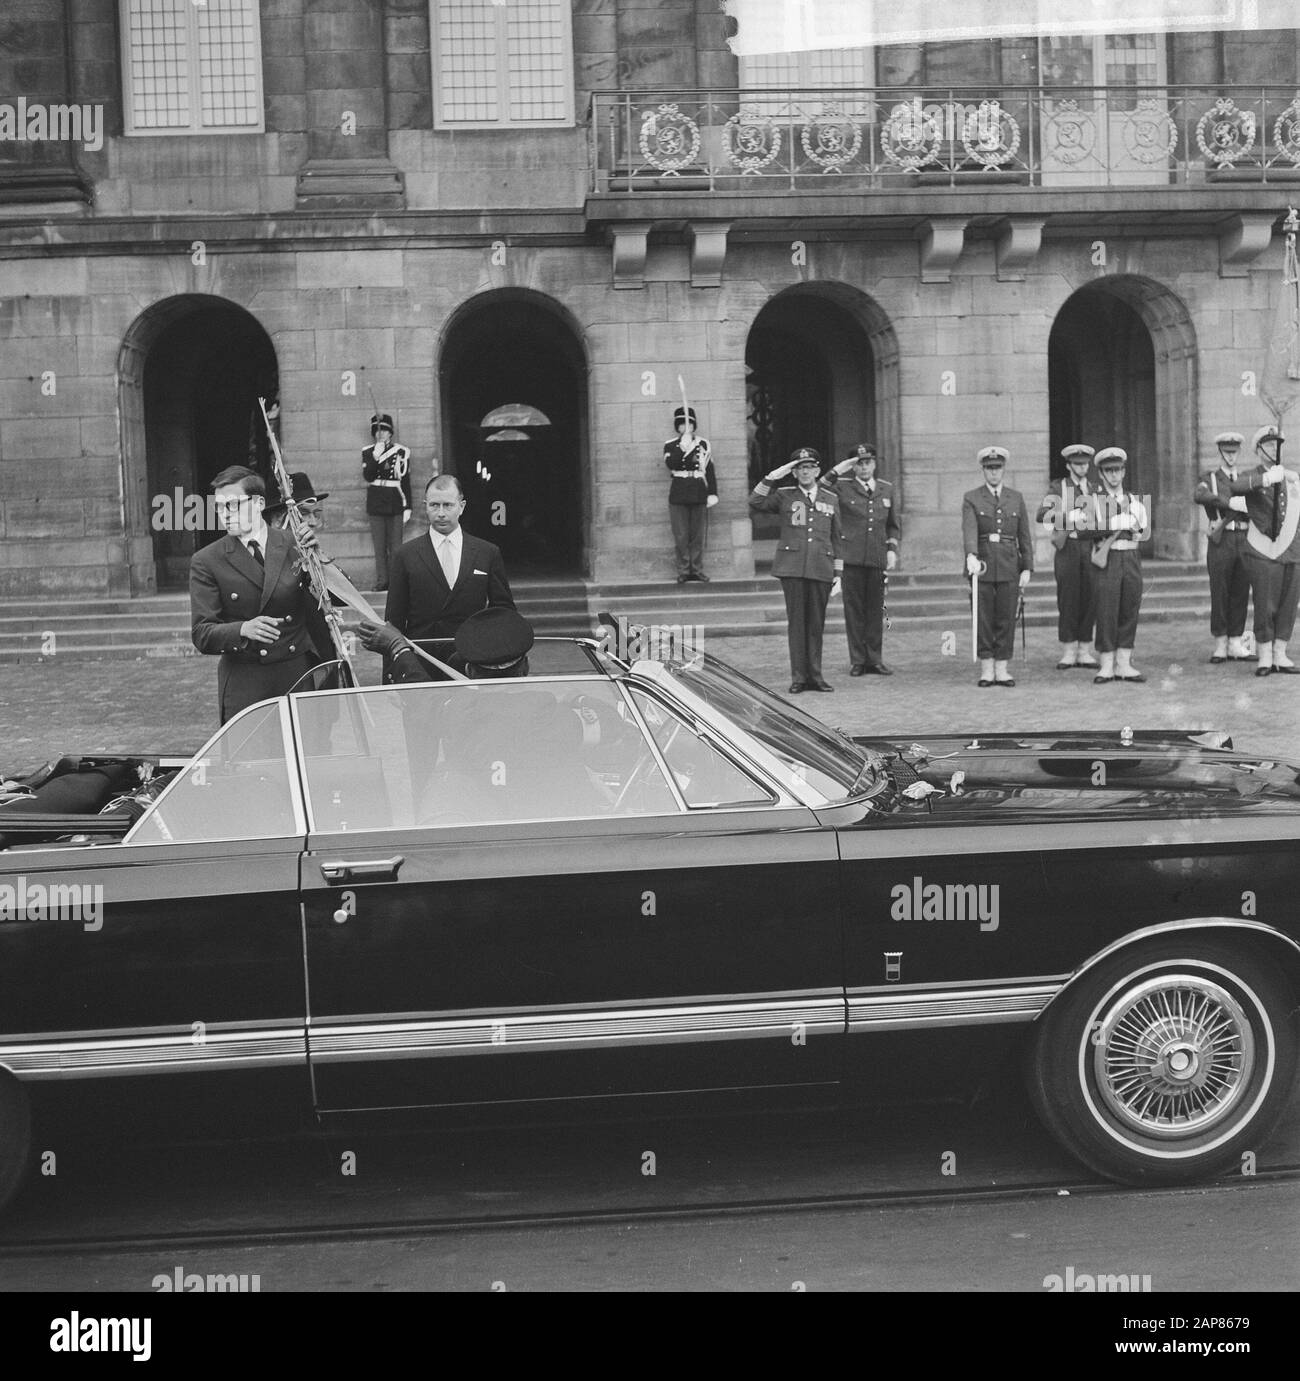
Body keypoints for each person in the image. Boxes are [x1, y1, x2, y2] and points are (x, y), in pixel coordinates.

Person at [190, 465, 331, 724]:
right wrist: (242, 629)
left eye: (232, 505)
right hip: (247, 682)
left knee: (306, 756)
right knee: (254, 762)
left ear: (258, 504)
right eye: (219, 507)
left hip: (295, 675)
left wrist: (318, 559)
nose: (225, 514)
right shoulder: (208, 560)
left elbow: (334, 598)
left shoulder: (293, 543)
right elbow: (202, 632)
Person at [384, 474, 514, 677]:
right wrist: (391, 678)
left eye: (448, 505)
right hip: (420, 666)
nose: (441, 513)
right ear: (425, 506)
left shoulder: (486, 553)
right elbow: (393, 624)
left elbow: (503, 612)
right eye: (434, 505)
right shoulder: (405, 555)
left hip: (471, 663)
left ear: (461, 506)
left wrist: (500, 666)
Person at [749, 446, 843, 693]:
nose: (806, 472)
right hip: (792, 567)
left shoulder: (830, 498)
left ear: (817, 470)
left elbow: (837, 537)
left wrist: (839, 574)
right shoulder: (784, 495)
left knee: (816, 624)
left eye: (810, 467)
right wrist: (773, 475)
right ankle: (799, 677)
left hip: (821, 566)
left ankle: (816, 675)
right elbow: (755, 500)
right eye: (800, 468)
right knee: (797, 624)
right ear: (794, 472)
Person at [1230, 424, 1300, 676]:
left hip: (1291, 551)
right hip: (1263, 552)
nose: (1273, 448)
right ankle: (1265, 655)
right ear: (1259, 450)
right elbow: (1236, 487)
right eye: (1268, 444)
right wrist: (1267, 478)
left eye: (1276, 444)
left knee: (1288, 604)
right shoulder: (1254, 477)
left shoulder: (1291, 478)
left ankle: (1280, 653)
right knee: (1265, 604)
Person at [825, 443, 899, 675]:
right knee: (854, 611)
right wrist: (838, 469)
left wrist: (891, 549)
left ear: (874, 464)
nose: (864, 467)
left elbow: (893, 525)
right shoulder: (842, 488)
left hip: (877, 557)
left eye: (867, 462)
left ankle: (874, 659)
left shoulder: (886, 489)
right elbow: (821, 486)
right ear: (853, 467)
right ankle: (858, 659)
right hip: (852, 558)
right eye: (859, 463)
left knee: (875, 611)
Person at [962, 447, 1032, 687]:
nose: (994, 473)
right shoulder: (972, 497)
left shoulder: (1016, 497)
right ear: (983, 470)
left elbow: (1024, 535)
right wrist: (971, 555)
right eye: (989, 468)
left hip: (1009, 563)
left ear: (1004, 469)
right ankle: (987, 667)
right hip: (982, 564)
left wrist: (1027, 567)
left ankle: (1002, 667)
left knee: (1006, 616)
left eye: (998, 468)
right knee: (983, 617)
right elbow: (970, 530)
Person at [1089, 447, 1150, 684]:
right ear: (1102, 475)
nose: (1114, 475)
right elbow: (1085, 530)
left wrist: (1136, 525)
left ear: (1124, 472)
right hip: (1109, 559)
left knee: (1129, 608)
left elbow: (1144, 534)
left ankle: (1124, 663)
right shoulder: (1093, 501)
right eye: (1108, 471)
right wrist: (1114, 522)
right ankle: (1106, 664)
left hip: (1131, 558)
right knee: (1106, 610)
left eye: (1117, 470)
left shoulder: (1136, 500)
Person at [1193, 432, 1255, 664]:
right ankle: (1220, 643)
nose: (1231, 456)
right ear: (1220, 452)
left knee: (1241, 589)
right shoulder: (1209, 477)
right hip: (1222, 540)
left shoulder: (1246, 477)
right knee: (1220, 591)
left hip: (1244, 537)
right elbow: (1199, 495)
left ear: (1239, 452)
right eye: (1227, 452)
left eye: (1234, 452)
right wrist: (1229, 503)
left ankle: (1235, 641)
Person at [1037, 443, 1100, 669]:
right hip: (1069, 546)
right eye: (1077, 464)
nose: (1082, 468)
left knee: (1090, 597)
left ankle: (1084, 649)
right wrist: (1070, 515)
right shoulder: (1059, 488)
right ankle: (1068, 649)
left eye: (1084, 464)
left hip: (1089, 545)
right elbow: (1042, 514)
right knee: (1068, 598)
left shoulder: (1094, 488)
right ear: (1068, 465)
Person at [663, 405, 718, 582]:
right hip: (679, 492)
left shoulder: (703, 444)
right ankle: (684, 570)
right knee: (681, 535)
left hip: (698, 491)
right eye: (682, 424)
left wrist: (712, 493)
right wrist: (683, 446)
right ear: (677, 427)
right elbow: (672, 464)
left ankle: (697, 569)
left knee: (697, 535)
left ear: (694, 426)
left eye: (689, 424)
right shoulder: (670, 445)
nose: (686, 427)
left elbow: (709, 470)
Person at [362, 412, 412, 591]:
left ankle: (397, 582)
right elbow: (368, 476)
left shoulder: (401, 451)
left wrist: (408, 507)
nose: (380, 434)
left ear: (390, 433)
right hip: (376, 501)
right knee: (379, 546)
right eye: (377, 431)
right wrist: (375, 457)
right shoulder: (368, 452)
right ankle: (383, 581)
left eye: (384, 430)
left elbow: (405, 480)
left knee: (396, 548)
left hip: (395, 500)